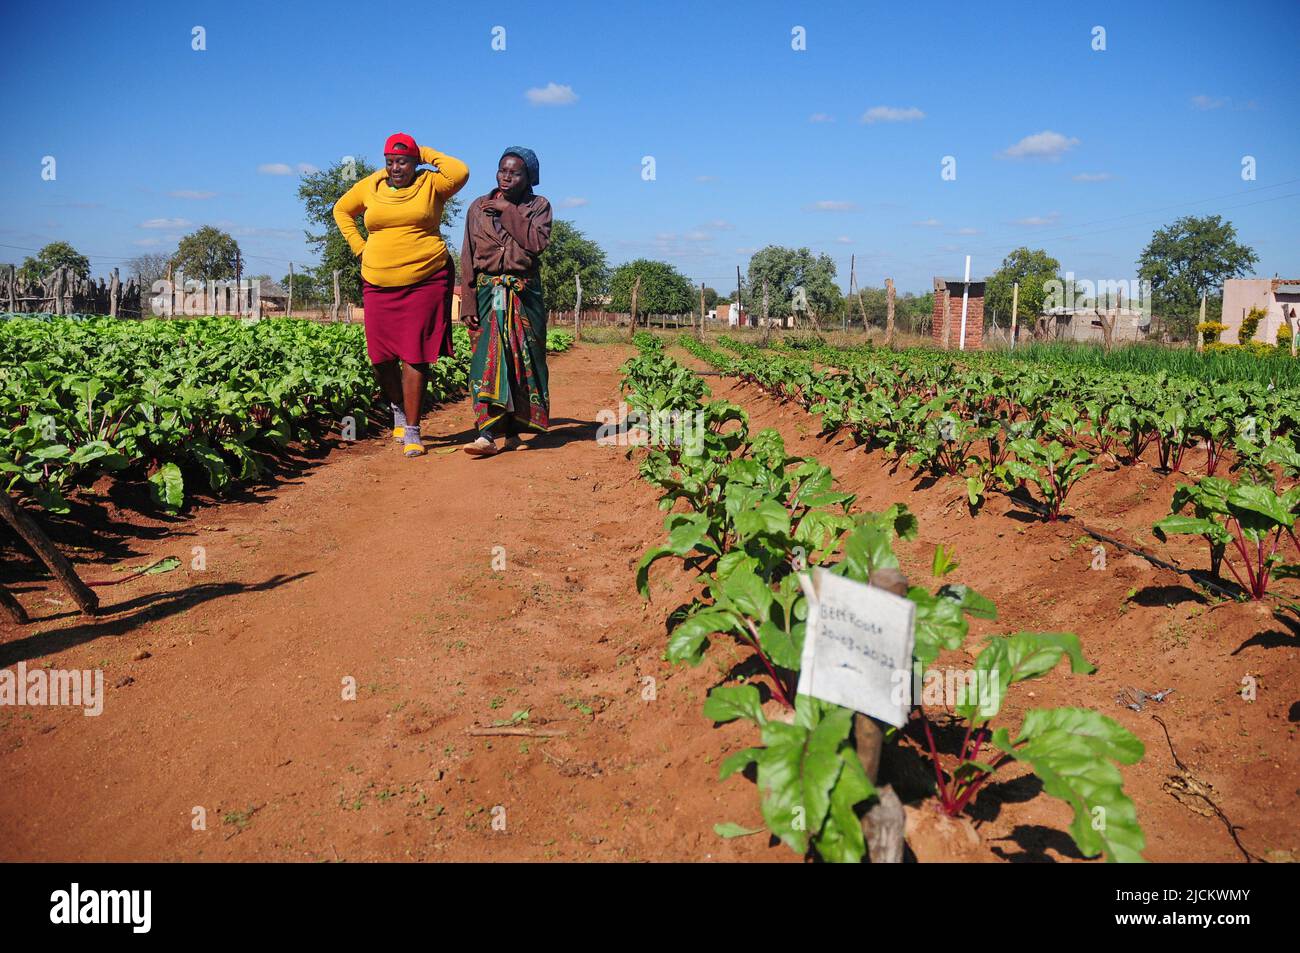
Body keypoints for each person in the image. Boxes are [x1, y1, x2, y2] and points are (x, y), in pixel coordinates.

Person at [332, 133, 469, 457]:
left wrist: (423, 153)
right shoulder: (371, 185)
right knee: (380, 358)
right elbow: (341, 210)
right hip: (378, 281)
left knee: (415, 353)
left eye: (403, 161)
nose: (395, 168)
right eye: (390, 161)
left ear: (414, 161)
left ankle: (412, 429)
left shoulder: (430, 184)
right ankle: (397, 406)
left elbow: (460, 171)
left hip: (426, 277)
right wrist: (360, 247)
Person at [459, 147, 553, 457]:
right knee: (487, 358)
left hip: (523, 293)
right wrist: (469, 303)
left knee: (520, 360)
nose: (506, 176)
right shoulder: (477, 207)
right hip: (491, 292)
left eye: (515, 172)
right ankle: (486, 433)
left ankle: (514, 431)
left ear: (529, 178)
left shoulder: (538, 207)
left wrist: (506, 210)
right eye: (502, 170)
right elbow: (468, 256)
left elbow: (536, 243)